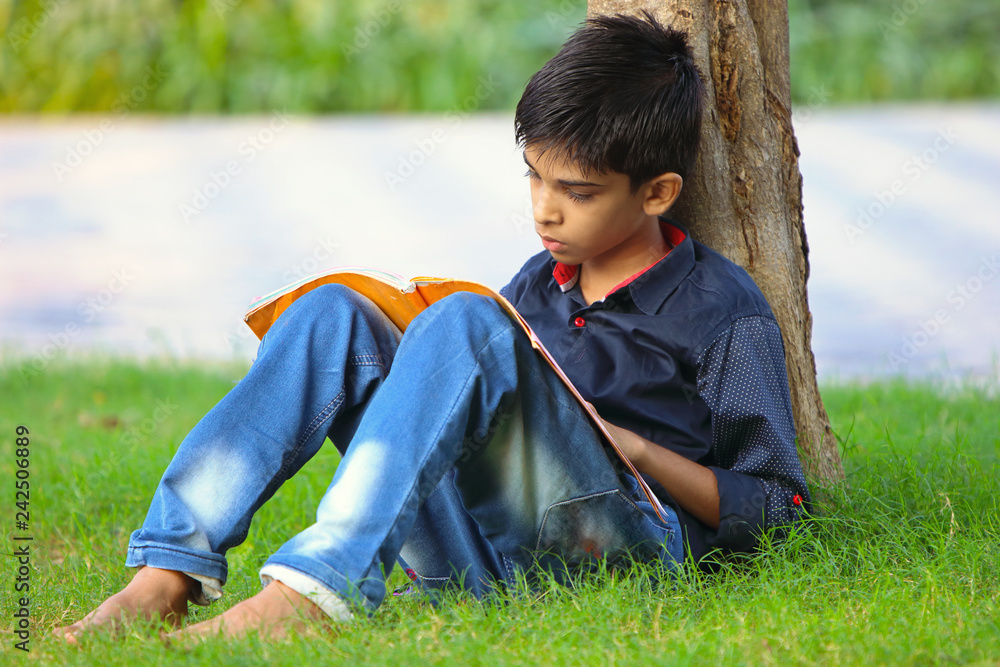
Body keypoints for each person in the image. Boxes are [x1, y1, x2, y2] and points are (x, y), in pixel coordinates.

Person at [56, 12, 809, 643]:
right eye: (534, 177)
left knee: (467, 320)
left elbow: (781, 503)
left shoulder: (722, 310)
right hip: (484, 554)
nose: (545, 209)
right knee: (331, 313)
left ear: (658, 193)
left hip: (619, 551)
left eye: (576, 192)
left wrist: (638, 448)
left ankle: (315, 592)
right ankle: (168, 568)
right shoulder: (536, 283)